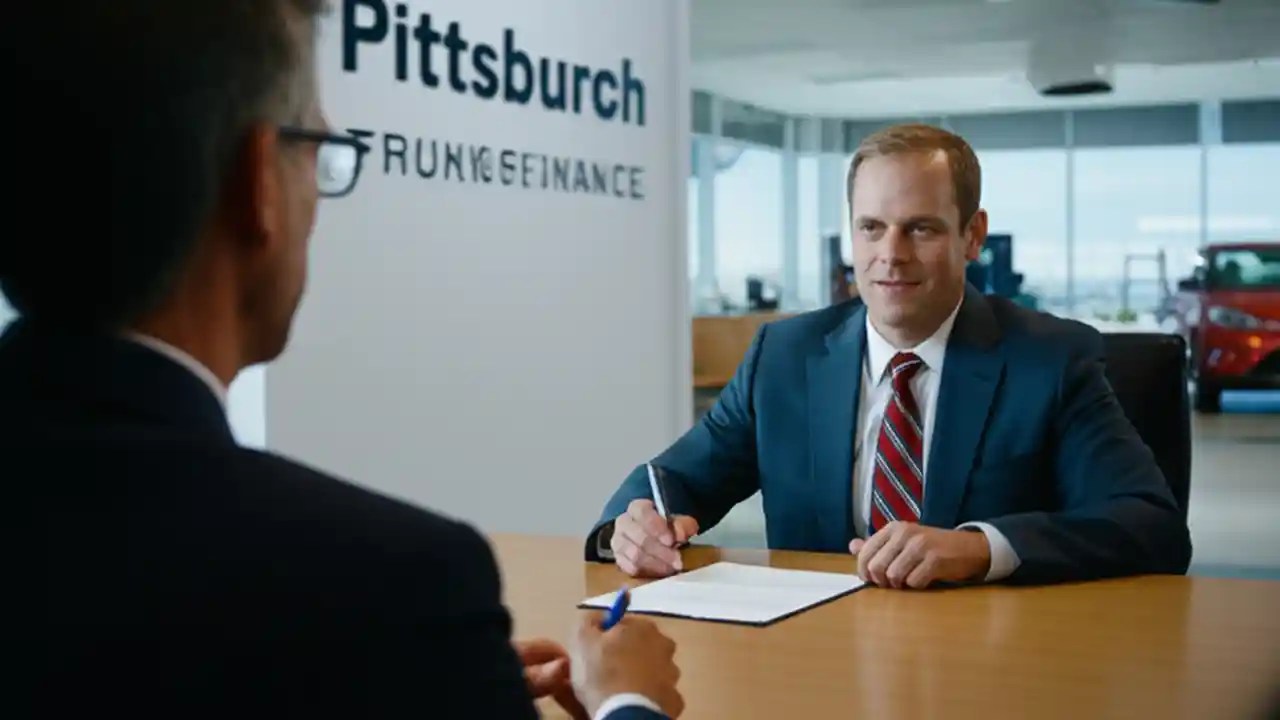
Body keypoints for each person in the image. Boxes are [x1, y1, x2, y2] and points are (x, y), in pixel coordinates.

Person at [7, 2, 680, 718]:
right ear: (259, 183)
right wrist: (627, 703)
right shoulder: (393, 587)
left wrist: (445, 682)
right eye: (318, 154)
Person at [586, 124, 1192, 589]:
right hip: (812, 656)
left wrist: (982, 548)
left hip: (988, 664)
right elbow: (674, 481)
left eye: (921, 229)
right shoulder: (785, 356)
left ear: (972, 235)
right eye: (871, 228)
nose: (890, 254)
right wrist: (628, 528)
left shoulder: (1050, 359)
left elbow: (1150, 525)